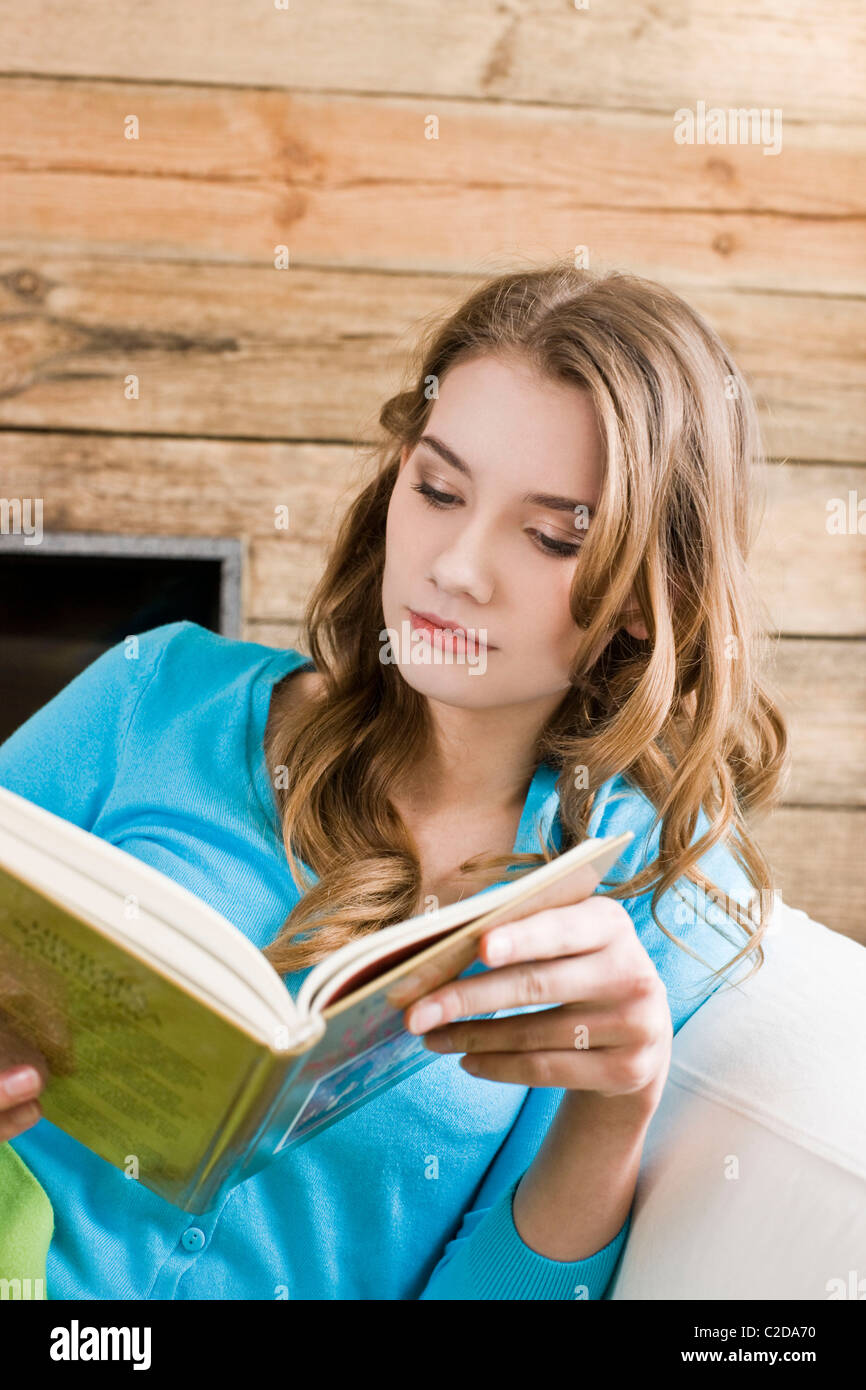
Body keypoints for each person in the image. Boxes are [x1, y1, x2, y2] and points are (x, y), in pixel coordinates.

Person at [0, 260, 789, 1299]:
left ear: (649, 596)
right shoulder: (158, 694)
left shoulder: (657, 903)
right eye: (437, 487)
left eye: (552, 535)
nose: (454, 565)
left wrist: (612, 1106)